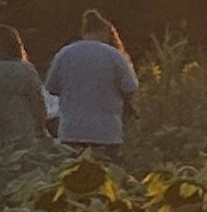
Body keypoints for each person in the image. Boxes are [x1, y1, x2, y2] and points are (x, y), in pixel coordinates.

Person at [45, 10, 140, 153]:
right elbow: (131, 88)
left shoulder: (64, 54)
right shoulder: (114, 55)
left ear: (84, 32)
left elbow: (51, 88)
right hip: (106, 133)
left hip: (71, 131)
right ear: (105, 32)